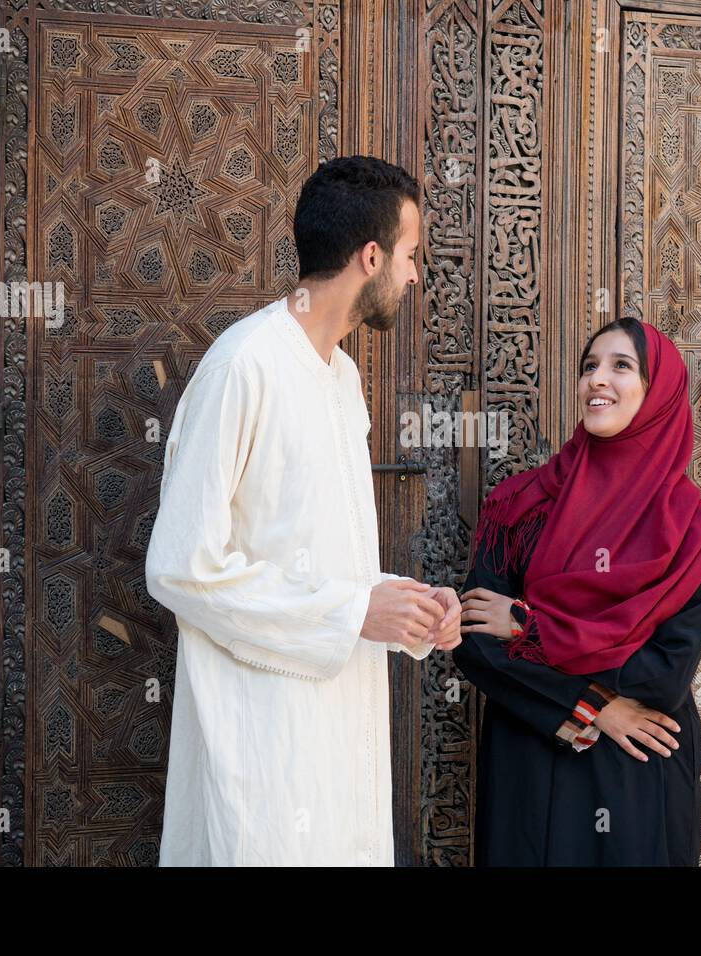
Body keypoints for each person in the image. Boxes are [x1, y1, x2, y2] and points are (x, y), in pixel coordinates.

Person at [146, 156, 462, 866]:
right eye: (410, 256)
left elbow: (323, 558)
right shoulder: (245, 365)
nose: (414, 276)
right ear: (371, 257)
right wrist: (355, 611)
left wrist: (406, 608)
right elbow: (180, 568)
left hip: (339, 736)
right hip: (264, 742)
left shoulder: (342, 378)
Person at [454, 316, 701, 866]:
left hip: (636, 763)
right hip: (535, 751)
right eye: (589, 367)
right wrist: (596, 708)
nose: (597, 379)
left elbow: (664, 675)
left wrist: (529, 628)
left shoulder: (694, 533)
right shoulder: (520, 506)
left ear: (658, 393)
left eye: (621, 366)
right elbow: (475, 638)